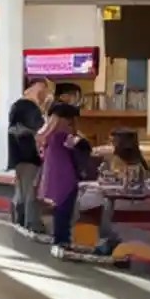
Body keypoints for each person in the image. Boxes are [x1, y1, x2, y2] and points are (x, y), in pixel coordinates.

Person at [38, 104, 90, 256]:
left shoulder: (48, 136)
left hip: (54, 177)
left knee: (59, 210)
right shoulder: (64, 136)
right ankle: (62, 240)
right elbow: (85, 147)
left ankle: (59, 239)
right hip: (67, 177)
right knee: (64, 211)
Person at [7, 78, 50, 233]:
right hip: (29, 154)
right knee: (31, 189)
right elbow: (40, 128)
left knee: (22, 188)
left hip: (18, 154)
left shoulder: (17, 106)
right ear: (31, 88)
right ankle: (32, 222)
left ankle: (19, 220)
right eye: (41, 88)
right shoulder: (29, 106)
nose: (43, 92)